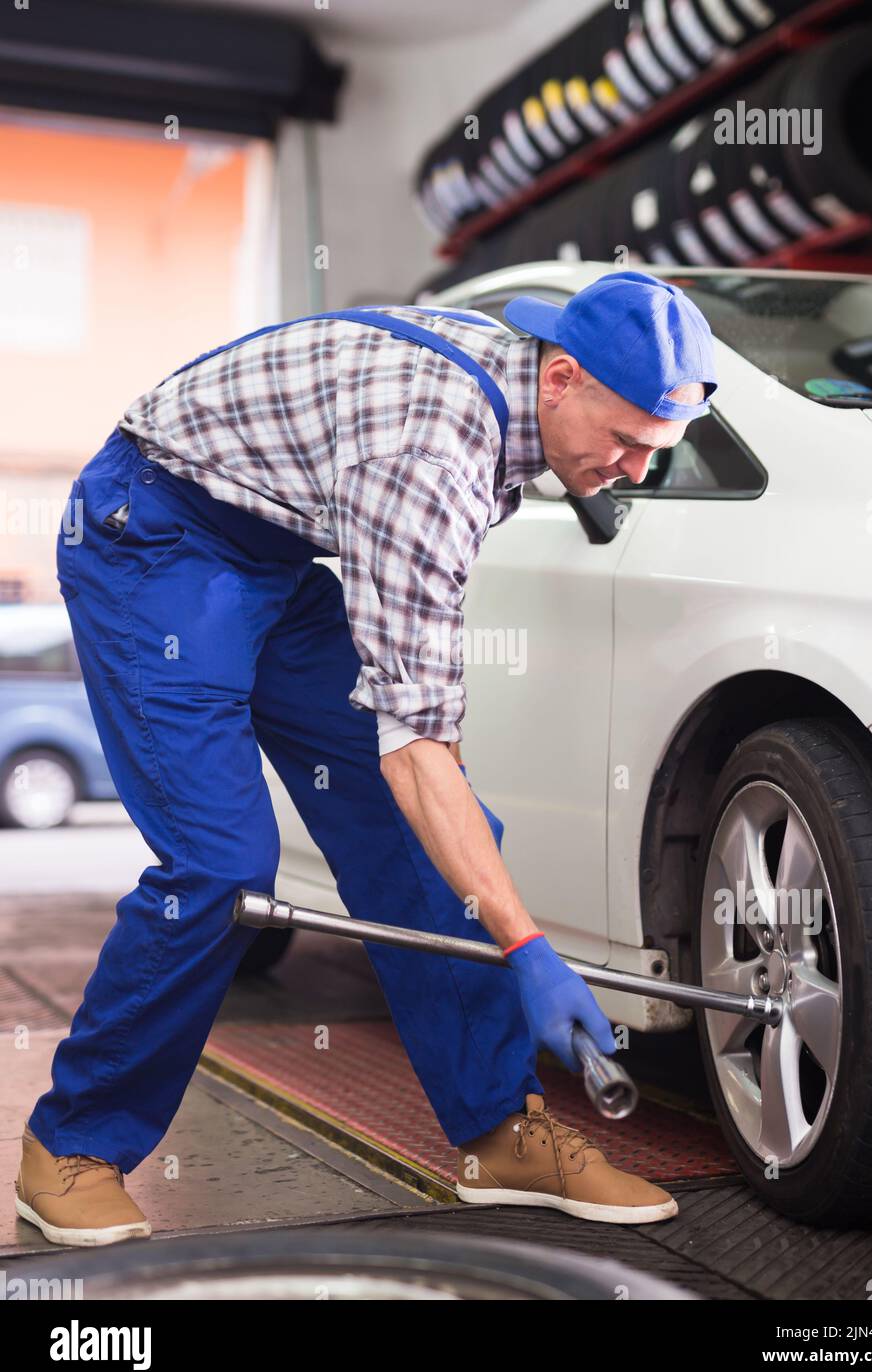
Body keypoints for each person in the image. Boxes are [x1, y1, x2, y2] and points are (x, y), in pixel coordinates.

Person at [15, 270, 717, 1246]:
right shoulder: (428, 452)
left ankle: (499, 1129)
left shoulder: (515, 413)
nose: (635, 469)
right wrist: (526, 944)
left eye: (658, 448)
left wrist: (475, 864)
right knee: (221, 867)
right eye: (628, 441)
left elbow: (421, 724)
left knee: (433, 836)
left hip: (264, 553)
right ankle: (73, 1145)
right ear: (560, 378)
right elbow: (414, 745)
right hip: (156, 536)